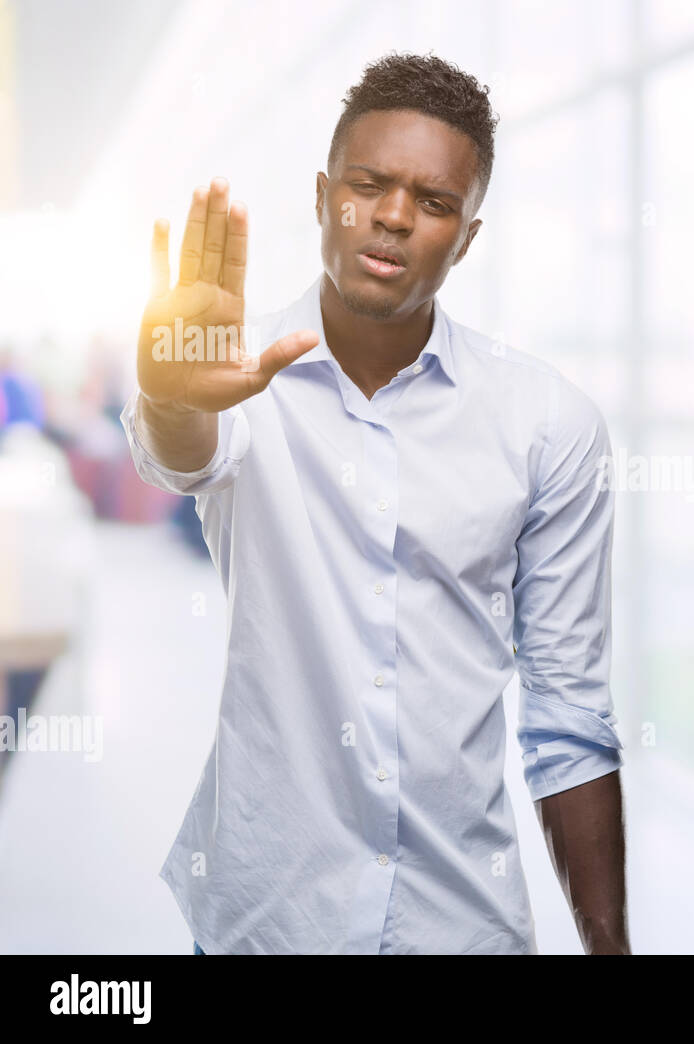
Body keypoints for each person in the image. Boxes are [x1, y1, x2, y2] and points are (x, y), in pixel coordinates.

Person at [120, 53, 630, 955]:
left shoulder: (547, 424)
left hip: (460, 926)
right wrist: (171, 398)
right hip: (265, 925)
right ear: (324, 198)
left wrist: (609, 948)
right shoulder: (242, 388)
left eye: (435, 203)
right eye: (369, 185)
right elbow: (184, 458)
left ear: (466, 238)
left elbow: (568, 716)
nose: (394, 216)